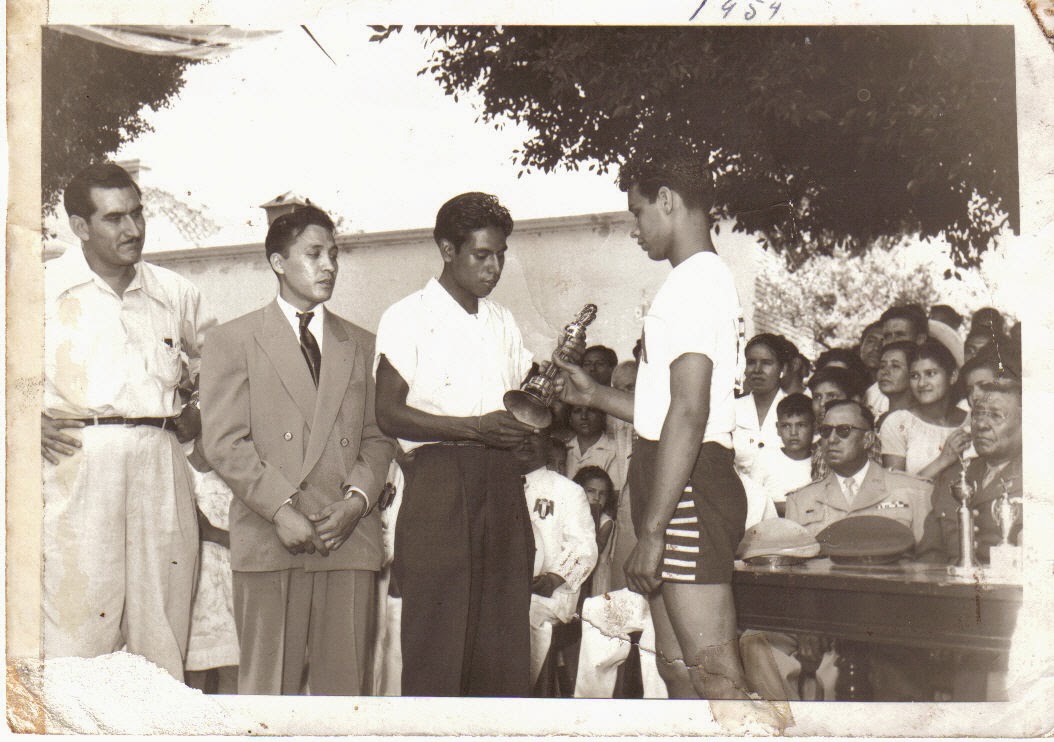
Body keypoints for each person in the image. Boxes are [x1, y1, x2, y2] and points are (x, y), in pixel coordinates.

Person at [555, 147, 749, 700]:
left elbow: (690, 412)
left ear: (668, 200)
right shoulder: (697, 280)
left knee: (715, 679)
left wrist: (655, 529)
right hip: (671, 480)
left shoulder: (693, 283)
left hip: (685, 488)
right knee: (676, 671)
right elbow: (667, 410)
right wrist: (593, 393)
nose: (635, 229)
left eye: (638, 212)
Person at [200, 205, 395, 695]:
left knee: (344, 695)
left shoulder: (363, 344)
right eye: (314, 254)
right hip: (271, 537)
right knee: (268, 695)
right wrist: (281, 509)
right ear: (277, 262)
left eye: (333, 254)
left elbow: (378, 436)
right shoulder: (233, 340)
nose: (329, 265)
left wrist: (355, 503)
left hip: (346, 537)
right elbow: (223, 440)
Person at [42, 163, 215, 680]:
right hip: (77, 461)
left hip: (160, 460)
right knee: (76, 627)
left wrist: (200, 409)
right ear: (79, 226)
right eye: (115, 218)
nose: (133, 229)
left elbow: (223, 367)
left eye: (137, 214)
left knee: (161, 628)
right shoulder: (41, 290)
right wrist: (18, 419)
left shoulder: (174, 292)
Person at [373, 192, 541, 697]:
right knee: (438, 642)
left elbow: (521, 407)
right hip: (440, 484)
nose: (495, 267)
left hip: (503, 486)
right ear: (448, 249)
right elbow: (387, 412)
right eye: (482, 255)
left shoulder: (503, 322)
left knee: (504, 636)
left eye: (501, 255)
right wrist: (472, 429)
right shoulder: (408, 316)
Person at [743, 399, 933, 701]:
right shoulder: (801, 500)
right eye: (826, 431)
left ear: (868, 439)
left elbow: (930, 567)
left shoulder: (914, 492)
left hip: (888, 621)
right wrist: (807, 625)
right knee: (755, 643)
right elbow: (796, 578)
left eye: (843, 431)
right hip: (821, 619)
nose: (831, 439)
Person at [514, 433, 598, 688]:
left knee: (520, 621)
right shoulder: (493, 484)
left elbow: (583, 547)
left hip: (546, 594)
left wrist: (553, 579)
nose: (525, 440)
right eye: (518, 434)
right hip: (500, 591)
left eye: (533, 436)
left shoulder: (567, 491)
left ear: (546, 443)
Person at [918, 379, 1022, 565]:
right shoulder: (953, 476)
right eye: (977, 415)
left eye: (996, 416)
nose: (981, 425)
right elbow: (930, 556)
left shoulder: (1040, 479)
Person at [183, 440, 239, 694]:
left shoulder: (239, 475)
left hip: (232, 593)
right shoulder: (178, 468)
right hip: (192, 597)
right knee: (193, 679)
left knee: (234, 670)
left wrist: (214, 534)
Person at [880, 339, 969, 480]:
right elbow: (895, 490)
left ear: (952, 376)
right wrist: (943, 461)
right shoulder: (899, 423)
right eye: (914, 376)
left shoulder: (973, 422)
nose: (921, 383)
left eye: (930, 374)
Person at [732, 333, 790, 486]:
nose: (757, 369)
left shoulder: (796, 410)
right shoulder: (732, 410)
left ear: (782, 368)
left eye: (766, 363)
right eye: (751, 362)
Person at [751, 393, 815, 516]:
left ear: (815, 427)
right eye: (786, 426)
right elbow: (752, 501)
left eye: (801, 425)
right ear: (778, 428)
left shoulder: (820, 462)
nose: (793, 433)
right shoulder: (766, 457)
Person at [565, 404, 627, 492]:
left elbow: (614, 495)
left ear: (602, 416)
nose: (584, 416)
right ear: (570, 419)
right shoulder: (564, 449)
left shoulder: (615, 450)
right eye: (577, 411)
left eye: (591, 410)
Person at [870, 340, 917, 423]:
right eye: (882, 366)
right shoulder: (878, 419)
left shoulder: (918, 421)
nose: (885, 372)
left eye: (895, 366)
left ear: (913, 373)